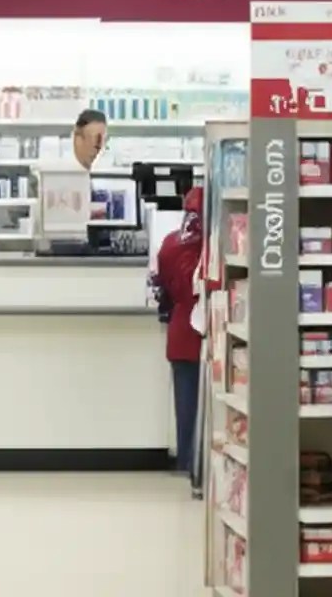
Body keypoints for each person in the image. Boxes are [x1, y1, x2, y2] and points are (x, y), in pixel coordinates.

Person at [151, 186, 205, 487]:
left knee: (185, 408)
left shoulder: (170, 244)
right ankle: (205, 466)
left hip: (181, 331)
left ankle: (186, 463)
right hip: (208, 331)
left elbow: (161, 287)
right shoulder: (213, 246)